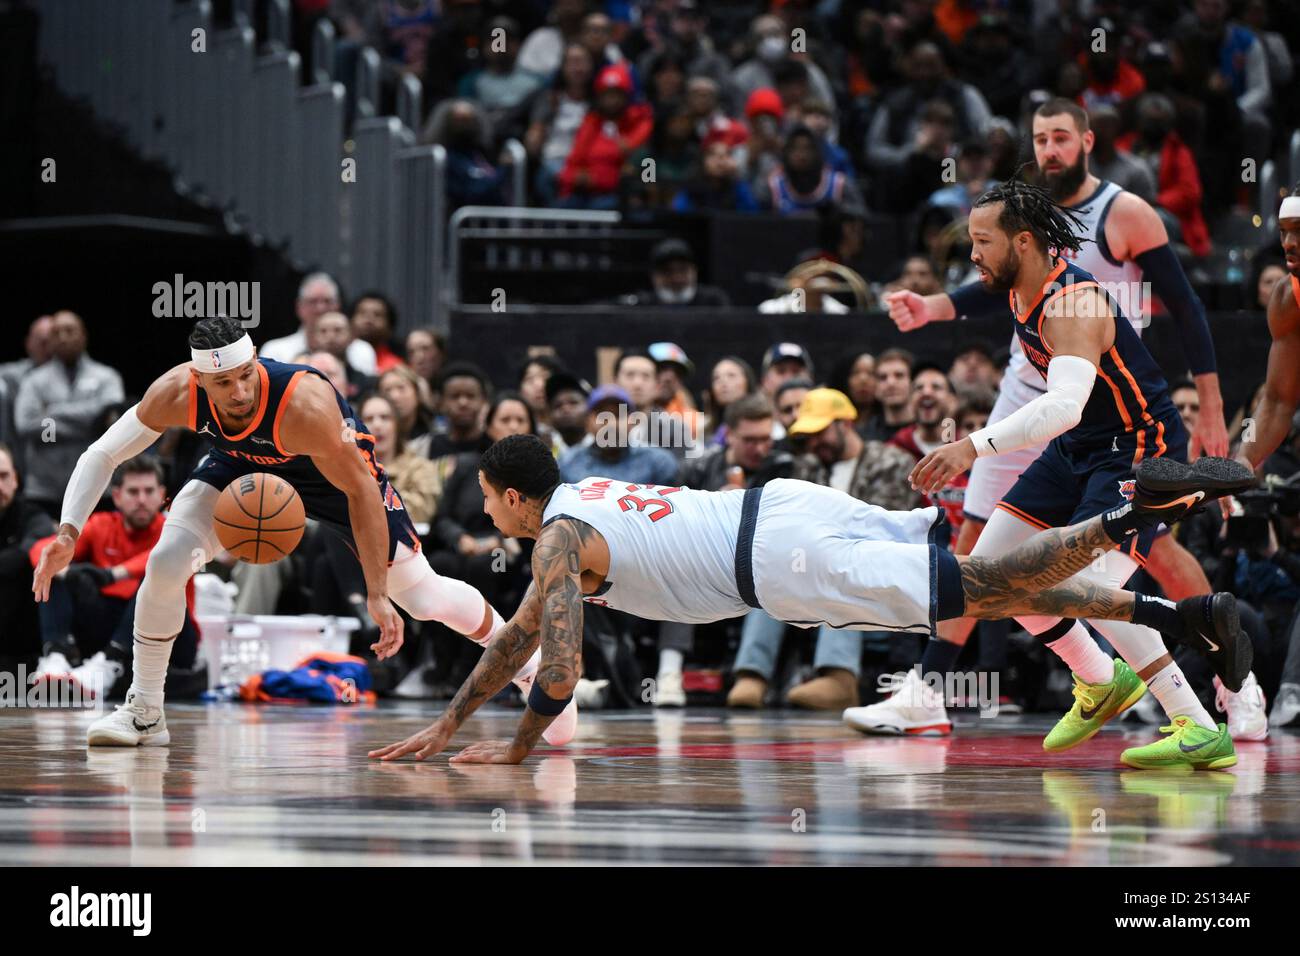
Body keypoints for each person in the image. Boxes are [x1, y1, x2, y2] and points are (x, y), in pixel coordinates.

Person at [370, 433, 1253, 765]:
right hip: (789, 502)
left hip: (782, 562)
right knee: (977, 581)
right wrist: (450, 725)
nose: (481, 511)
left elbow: (557, 663)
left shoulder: (557, 543)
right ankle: (1175, 618)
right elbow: (519, 639)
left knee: (979, 588)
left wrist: (518, 752)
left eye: (485, 498)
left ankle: (1129, 512)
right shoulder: (584, 498)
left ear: (512, 498)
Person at [31, 317, 575, 748]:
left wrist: (378, 595)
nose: (240, 390)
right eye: (223, 383)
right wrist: (67, 532)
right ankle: (146, 711)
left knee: (423, 597)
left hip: (334, 480)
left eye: (246, 374)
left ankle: (525, 662)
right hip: (237, 469)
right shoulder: (175, 393)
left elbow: (360, 492)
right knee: (167, 561)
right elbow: (101, 453)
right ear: (199, 381)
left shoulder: (303, 404)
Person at [861, 178, 1247, 766]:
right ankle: (1098, 678)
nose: (972, 254)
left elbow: (1064, 404)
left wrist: (973, 446)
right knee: (991, 576)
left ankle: (1197, 724)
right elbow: (1068, 418)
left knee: (1091, 592)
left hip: (1134, 447)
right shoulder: (1020, 285)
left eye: (981, 242)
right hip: (1077, 448)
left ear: (1021, 242)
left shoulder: (1073, 304)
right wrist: (934, 309)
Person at [730, 388, 921, 711]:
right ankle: (752, 674)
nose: (814, 443)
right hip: (808, 567)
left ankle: (839, 677)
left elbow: (882, 531)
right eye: (808, 435)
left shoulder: (892, 462)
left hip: (869, 569)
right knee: (770, 569)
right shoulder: (808, 467)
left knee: (840, 566)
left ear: (845, 424)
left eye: (820, 432)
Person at [29, 456, 199, 697]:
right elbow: (43, 547)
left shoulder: (174, 530)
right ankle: (56, 656)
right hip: (116, 626)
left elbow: (164, 556)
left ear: (162, 494)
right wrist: (62, 567)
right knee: (53, 570)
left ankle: (110, 663)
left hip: (174, 636)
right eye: (133, 492)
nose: (142, 500)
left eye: (149, 491)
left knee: (154, 581)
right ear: (117, 496)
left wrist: (112, 575)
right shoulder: (101, 525)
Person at [14, 311, 125, 520]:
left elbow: (114, 421)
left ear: (83, 335)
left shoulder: (106, 377)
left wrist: (52, 412)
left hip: (98, 489)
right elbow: (26, 424)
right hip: (45, 491)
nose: (63, 337)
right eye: (56, 333)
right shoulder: (34, 381)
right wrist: (91, 424)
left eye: (70, 331)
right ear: (50, 341)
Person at [1238, 192, 1300, 473]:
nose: (1289, 243)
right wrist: (1244, 458)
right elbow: (1277, 400)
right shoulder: (1287, 298)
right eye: (1284, 232)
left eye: (1299, 231)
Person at [260, 273, 378, 375]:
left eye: (327, 301)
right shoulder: (275, 351)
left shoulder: (362, 351)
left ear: (338, 306)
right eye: (313, 301)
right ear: (299, 307)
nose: (320, 308)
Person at [0, 443, 53, 668]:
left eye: (3, 476)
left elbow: (33, 550)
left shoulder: (32, 515)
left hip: (21, 636)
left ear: (16, 480)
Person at [614, 239, 731, 308]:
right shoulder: (642, 305)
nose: (677, 278)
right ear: (654, 276)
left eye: (683, 270)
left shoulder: (713, 302)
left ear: (694, 271)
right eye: (667, 272)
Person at [349, 292, 404, 375]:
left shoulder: (396, 367)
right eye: (362, 313)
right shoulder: (340, 362)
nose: (369, 319)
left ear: (389, 327)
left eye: (377, 315)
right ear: (350, 322)